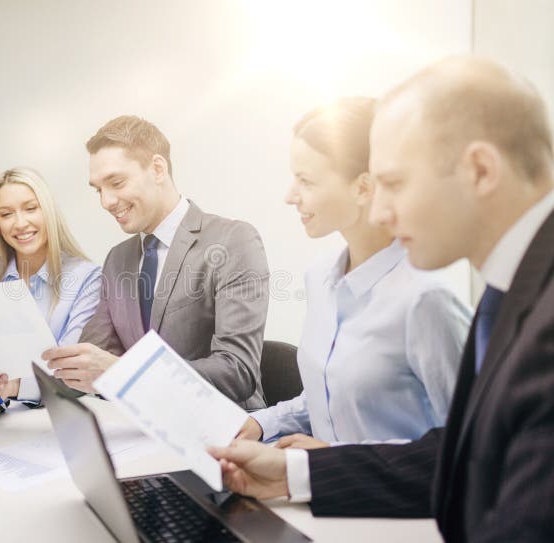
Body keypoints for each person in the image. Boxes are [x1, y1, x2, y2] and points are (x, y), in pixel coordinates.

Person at [210, 57, 554, 542]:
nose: (383, 212)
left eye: (393, 184)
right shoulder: (517, 290)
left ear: (480, 169)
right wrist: (297, 472)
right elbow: (460, 453)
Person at [237, 97, 471, 448]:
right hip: (316, 494)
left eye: (306, 181)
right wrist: (260, 422)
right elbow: (331, 397)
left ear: (363, 187)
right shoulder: (320, 277)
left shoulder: (426, 299)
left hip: (393, 501)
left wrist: (331, 460)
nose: (290, 196)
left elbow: (469, 443)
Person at [41, 115, 270, 408]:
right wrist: (12, 383)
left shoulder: (232, 240)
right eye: (98, 189)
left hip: (226, 434)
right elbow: (92, 360)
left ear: (158, 169)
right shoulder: (118, 259)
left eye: (116, 182)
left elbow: (237, 371)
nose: (106, 202)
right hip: (142, 430)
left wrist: (121, 372)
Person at [0, 167, 101, 406]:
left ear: (48, 211)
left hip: (49, 415)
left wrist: (12, 386)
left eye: (30, 208)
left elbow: (71, 371)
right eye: (6, 214)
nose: (20, 223)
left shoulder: (86, 277)